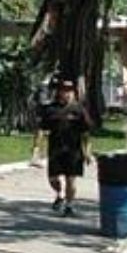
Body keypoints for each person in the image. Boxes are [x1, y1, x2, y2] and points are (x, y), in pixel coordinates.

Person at [31, 79, 94, 217]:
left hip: (74, 151)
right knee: (53, 178)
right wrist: (36, 148)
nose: (67, 93)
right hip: (55, 149)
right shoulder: (50, 109)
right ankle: (59, 195)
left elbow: (86, 133)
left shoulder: (79, 110)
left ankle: (69, 205)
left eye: (69, 90)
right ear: (59, 92)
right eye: (64, 90)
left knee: (71, 179)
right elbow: (41, 130)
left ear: (73, 92)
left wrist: (88, 152)